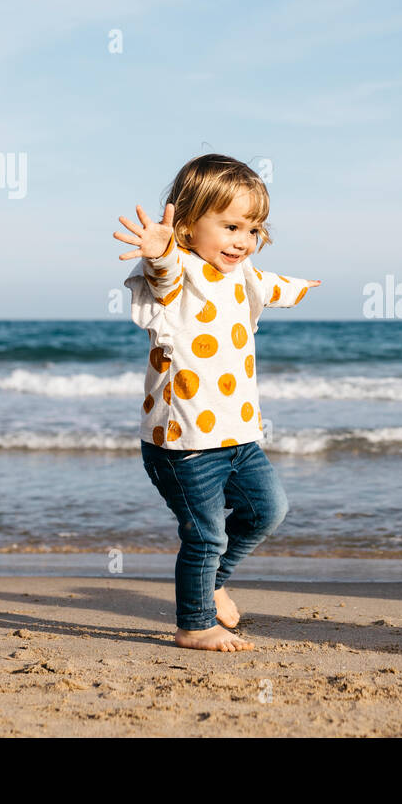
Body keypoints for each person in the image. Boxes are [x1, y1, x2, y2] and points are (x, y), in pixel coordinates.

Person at [114, 153, 320, 651]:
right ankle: (194, 624)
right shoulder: (179, 272)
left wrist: (301, 288)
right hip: (184, 441)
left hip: (238, 435)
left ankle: (213, 580)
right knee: (205, 535)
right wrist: (160, 253)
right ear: (186, 227)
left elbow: (269, 285)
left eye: (253, 229)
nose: (243, 241)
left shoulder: (242, 272)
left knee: (269, 510)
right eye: (230, 226)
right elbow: (161, 276)